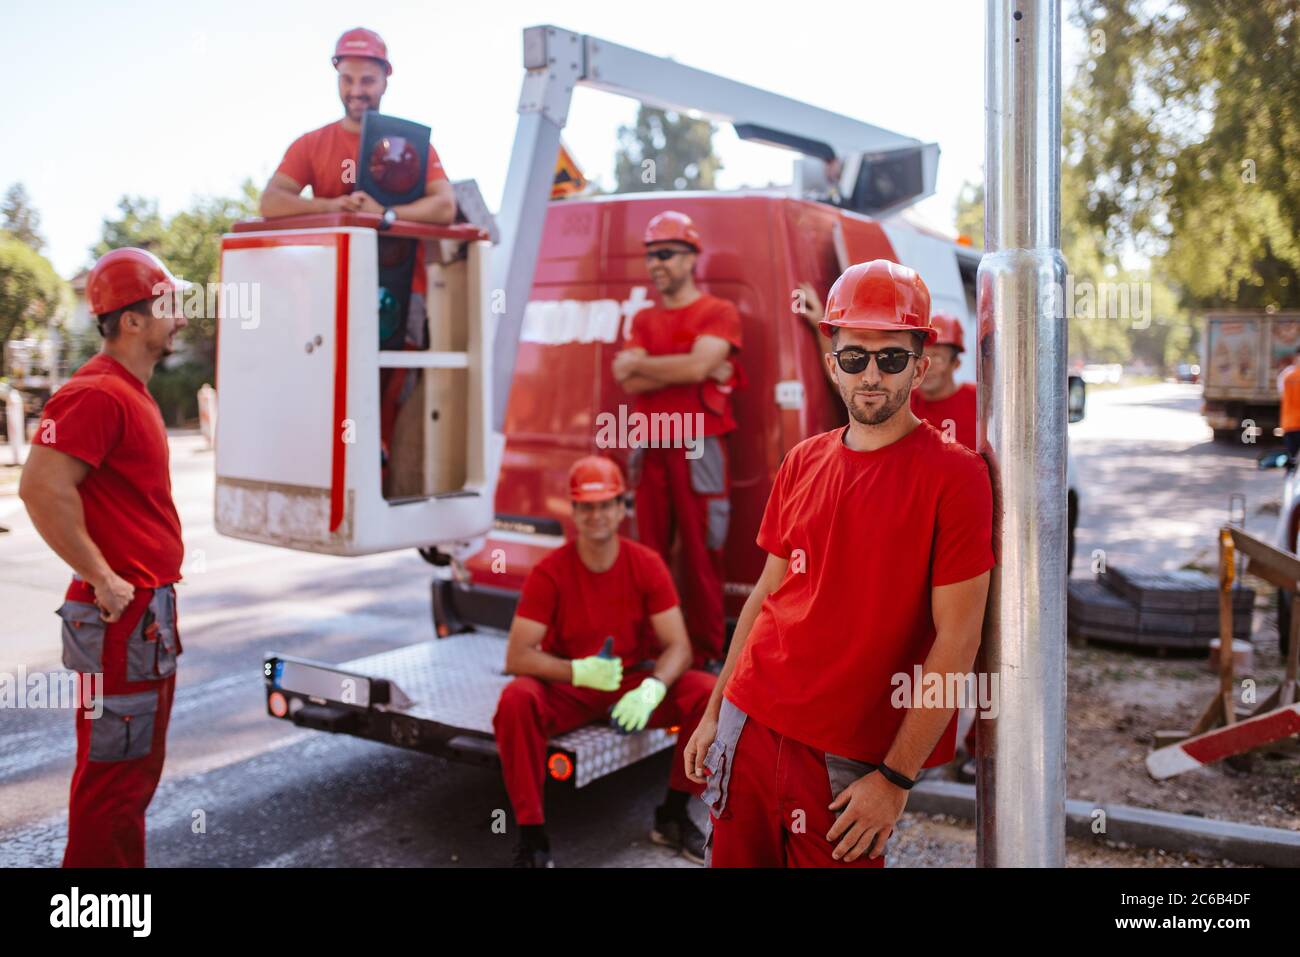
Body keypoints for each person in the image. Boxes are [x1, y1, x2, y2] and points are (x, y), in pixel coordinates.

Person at [683, 259, 995, 867]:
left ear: (920, 365)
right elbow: (766, 596)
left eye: (891, 357)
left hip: (845, 763)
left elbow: (957, 640)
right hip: (748, 727)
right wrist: (716, 708)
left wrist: (896, 781)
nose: (871, 374)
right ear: (833, 364)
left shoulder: (957, 478)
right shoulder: (803, 461)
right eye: (855, 357)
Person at [19, 248, 189, 867]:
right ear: (132, 320)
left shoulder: (129, 393)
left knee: (131, 779)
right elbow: (40, 487)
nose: (181, 319)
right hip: (123, 619)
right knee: (112, 781)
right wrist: (105, 580)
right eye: (168, 306)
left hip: (144, 617)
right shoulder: (96, 393)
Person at [493, 456, 717, 867]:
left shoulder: (645, 565)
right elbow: (517, 655)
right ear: (574, 512)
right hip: (571, 687)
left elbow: (679, 646)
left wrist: (653, 688)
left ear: (620, 509)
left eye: (605, 505)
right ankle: (531, 838)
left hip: (628, 684)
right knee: (515, 700)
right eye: (586, 506)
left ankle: (671, 814)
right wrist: (576, 671)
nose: (596, 515)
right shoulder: (549, 572)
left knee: (705, 692)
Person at [260, 27, 457, 473]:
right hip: (333, 289)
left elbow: (444, 206)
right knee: (334, 375)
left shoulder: (412, 143)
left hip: (402, 288)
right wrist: (333, 207)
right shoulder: (313, 143)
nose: (355, 91)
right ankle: (340, 463)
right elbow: (272, 201)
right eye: (347, 79)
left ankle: (385, 465)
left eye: (366, 80)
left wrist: (384, 212)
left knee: (394, 377)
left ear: (385, 80)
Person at [611, 211, 742, 666]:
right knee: (648, 554)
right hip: (651, 444)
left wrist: (657, 366)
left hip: (699, 445)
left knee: (704, 553)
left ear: (691, 258)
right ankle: (652, 652)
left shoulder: (718, 312)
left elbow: (697, 368)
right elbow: (625, 377)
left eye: (665, 254)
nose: (656, 265)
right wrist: (687, 365)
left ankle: (706, 655)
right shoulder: (644, 317)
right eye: (650, 256)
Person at [911, 312, 977, 450]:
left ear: (956, 363)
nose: (928, 366)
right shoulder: (903, 402)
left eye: (937, 357)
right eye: (923, 356)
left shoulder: (978, 400)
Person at [1279, 346, 1300, 462]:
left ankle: (1290, 476)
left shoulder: (1286, 374)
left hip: (1289, 423)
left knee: (1292, 459)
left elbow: (1282, 393)